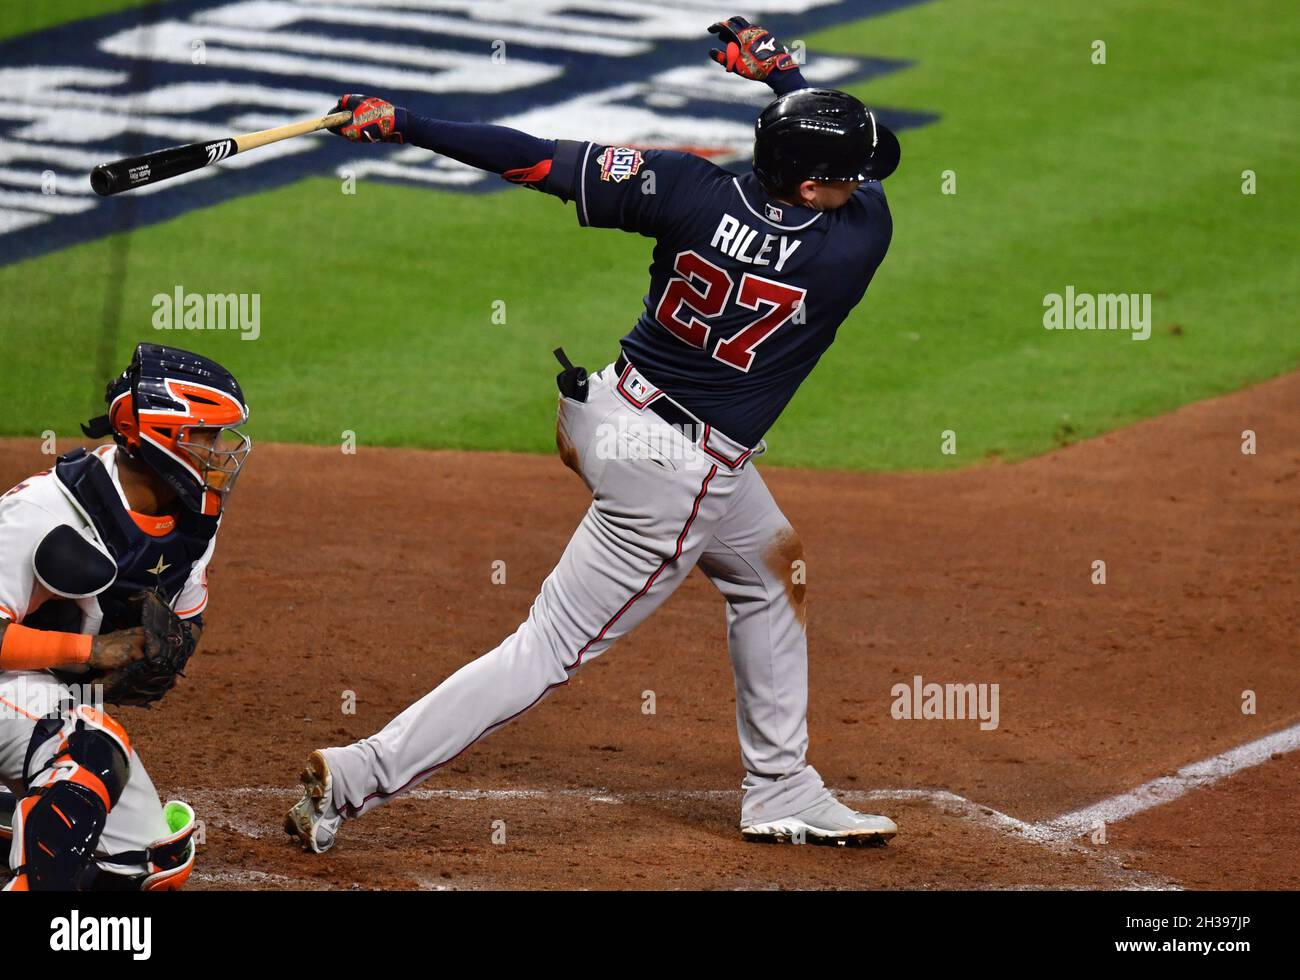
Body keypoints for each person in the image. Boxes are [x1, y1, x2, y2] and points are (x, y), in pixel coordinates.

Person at [287, 16, 900, 853]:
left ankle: (781, 787)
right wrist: (780, 73)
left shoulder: (688, 187)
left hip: (606, 410)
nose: (862, 179)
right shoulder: (855, 243)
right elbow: (861, 163)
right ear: (809, 188)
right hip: (676, 473)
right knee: (545, 648)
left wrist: (403, 122)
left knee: (773, 567)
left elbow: (533, 159)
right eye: (845, 173)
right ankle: (359, 772)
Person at [0, 343, 251, 889]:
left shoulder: (191, 521)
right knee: (93, 744)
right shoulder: (43, 510)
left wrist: (170, 649)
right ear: (161, 437)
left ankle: (12, 814)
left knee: (145, 866)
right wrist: (89, 652)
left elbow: (182, 622)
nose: (219, 454)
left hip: (37, 696)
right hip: (11, 684)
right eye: (205, 437)